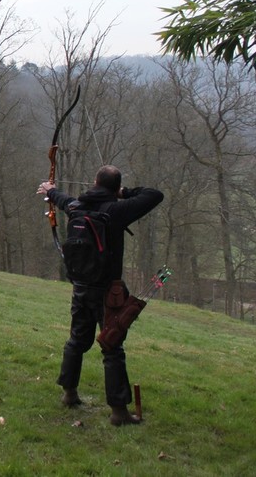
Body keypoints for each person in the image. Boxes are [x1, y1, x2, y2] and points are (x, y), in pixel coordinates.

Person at [37, 165, 163, 426]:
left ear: (95, 182)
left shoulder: (76, 207)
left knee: (76, 341)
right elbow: (154, 194)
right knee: (112, 346)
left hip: (81, 288)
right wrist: (124, 193)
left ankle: (69, 394)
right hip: (108, 293)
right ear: (115, 188)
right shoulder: (116, 210)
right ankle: (119, 412)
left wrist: (50, 190)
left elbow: (61, 199)